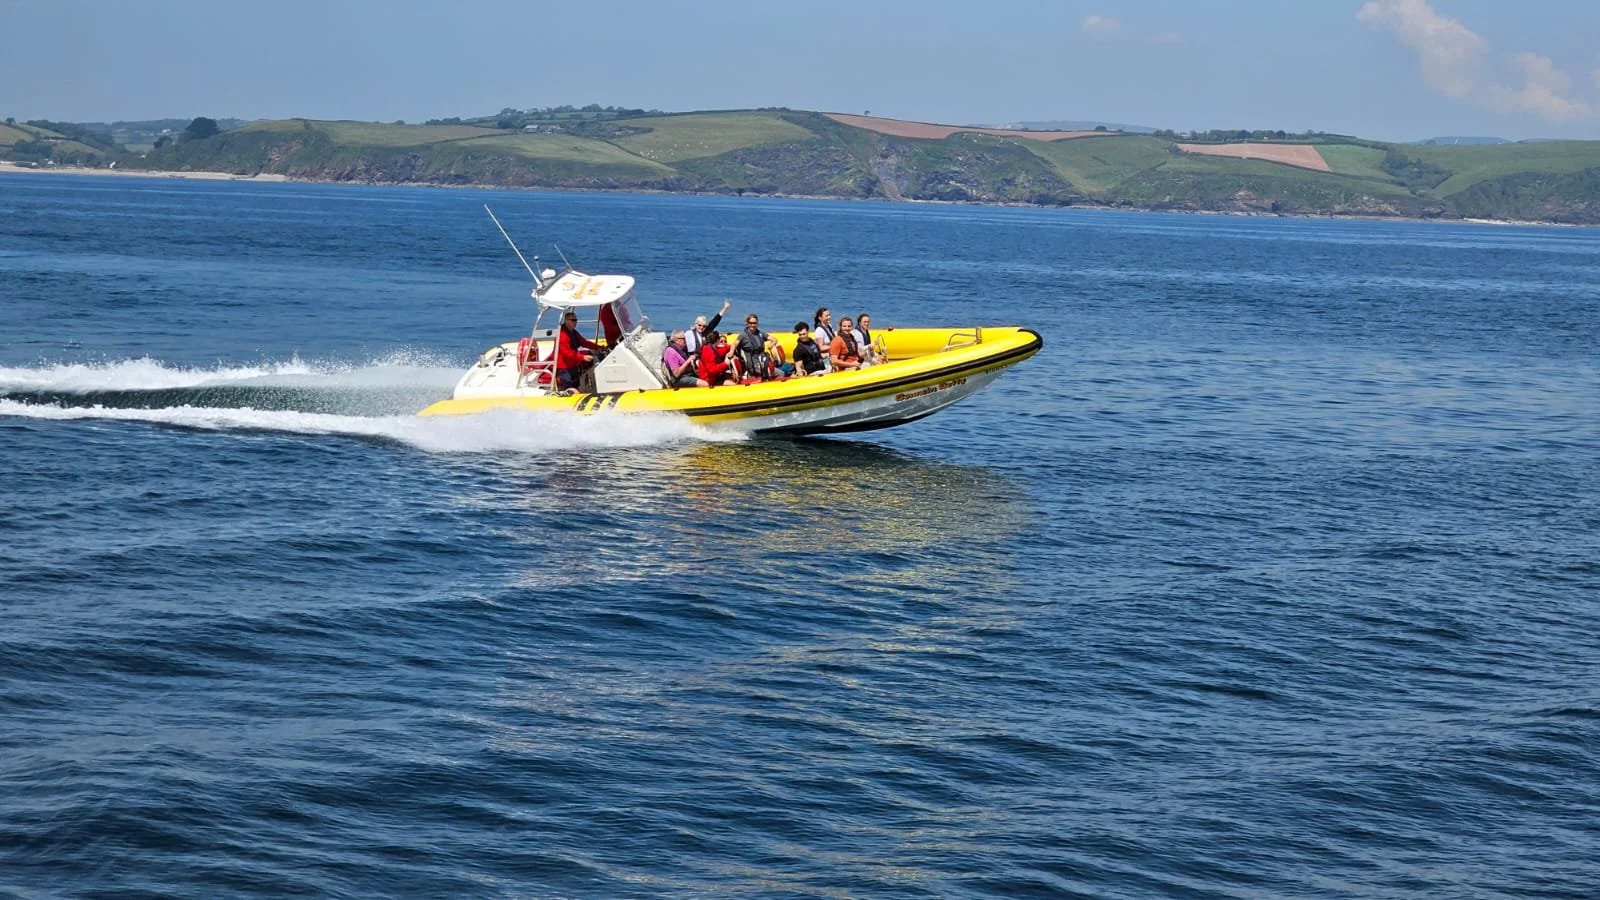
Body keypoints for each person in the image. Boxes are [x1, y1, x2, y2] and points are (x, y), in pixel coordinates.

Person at [555, 309, 602, 392]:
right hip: (564, 368)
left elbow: (584, 342)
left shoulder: (573, 332)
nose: (575, 322)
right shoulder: (562, 335)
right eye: (573, 320)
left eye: (576, 320)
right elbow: (566, 353)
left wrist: (599, 347)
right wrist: (582, 357)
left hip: (573, 365)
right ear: (566, 321)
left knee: (575, 384)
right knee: (567, 387)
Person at [734, 313, 784, 382]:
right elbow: (734, 344)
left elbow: (774, 339)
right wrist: (731, 352)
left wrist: (772, 344)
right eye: (750, 323)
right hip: (753, 365)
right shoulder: (743, 336)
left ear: (757, 323)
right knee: (774, 372)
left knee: (781, 373)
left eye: (754, 323)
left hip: (763, 362)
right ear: (747, 323)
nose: (752, 325)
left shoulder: (760, 334)